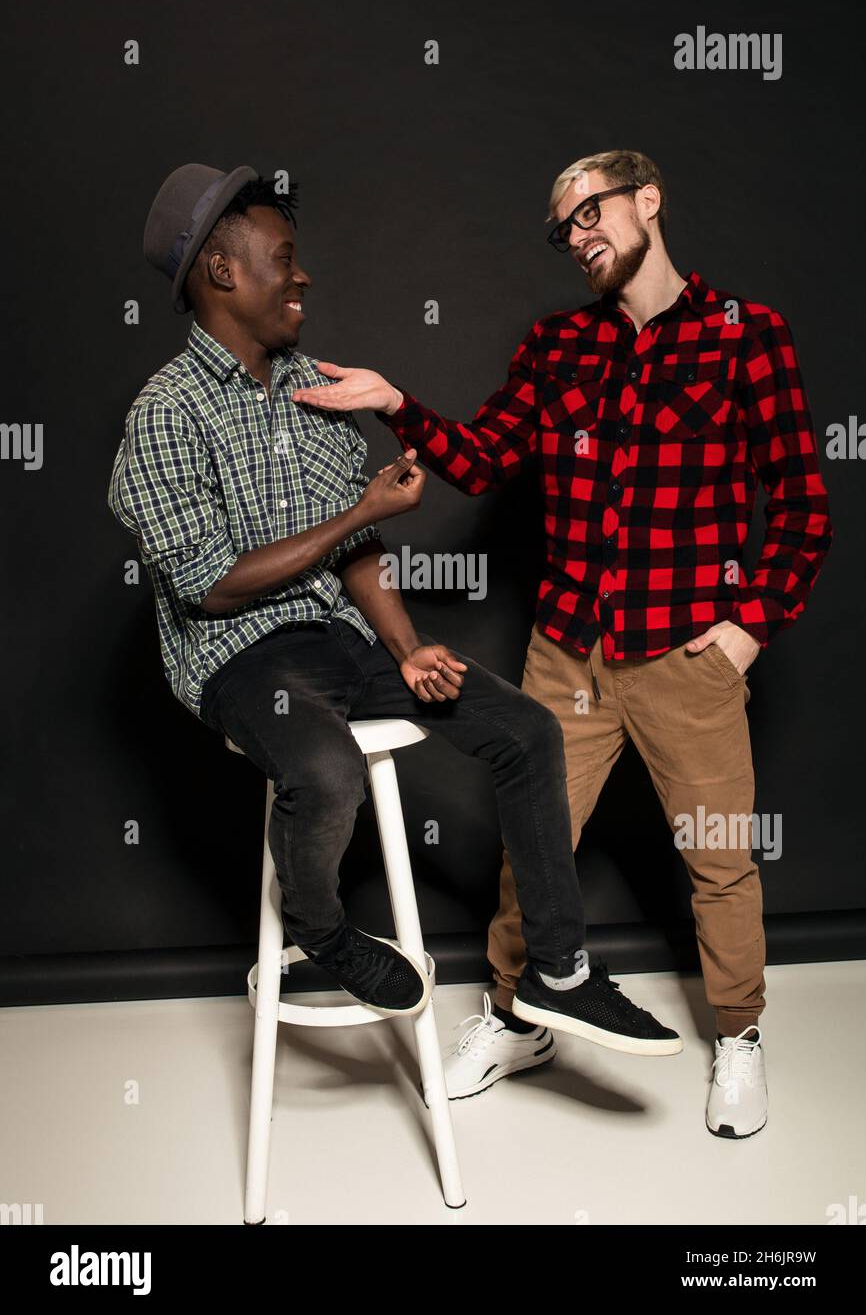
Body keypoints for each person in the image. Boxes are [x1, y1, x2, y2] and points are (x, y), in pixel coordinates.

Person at [290, 149, 833, 1136]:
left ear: (649, 200)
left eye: (589, 213)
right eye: (562, 229)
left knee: (717, 860)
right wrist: (393, 404)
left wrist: (747, 631)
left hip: (686, 656)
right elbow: (483, 456)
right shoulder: (556, 344)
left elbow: (801, 500)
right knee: (531, 850)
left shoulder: (744, 336)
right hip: (567, 653)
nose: (576, 236)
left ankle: (739, 1037)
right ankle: (516, 1016)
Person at [107, 161, 682, 1060]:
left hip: (338, 642)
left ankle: (558, 971)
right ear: (222, 273)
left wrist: (409, 648)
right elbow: (210, 584)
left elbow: (357, 556)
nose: (303, 278)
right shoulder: (165, 414)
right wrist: (363, 509)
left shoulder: (316, 391)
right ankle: (321, 930)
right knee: (328, 771)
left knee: (529, 731)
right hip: (241, 657)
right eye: (284, 260)